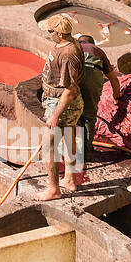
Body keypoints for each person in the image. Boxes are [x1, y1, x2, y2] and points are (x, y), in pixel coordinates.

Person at [38, 14, 85, 200]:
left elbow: (70, 90)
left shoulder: (67, 54)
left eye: (50, 31)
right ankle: (70, 180)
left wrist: (55, 114)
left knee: (49, 145)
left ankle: (53, 189)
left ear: (59, 33)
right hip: (63, 103)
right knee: (69, 138)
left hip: (61, 104)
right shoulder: (71, 43)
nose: (48, 34)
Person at [75, 33, 122, 165]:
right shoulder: (98, 51)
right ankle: (87, 154)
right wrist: (117, 95)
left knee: (72, 115)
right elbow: (113, 78)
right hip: (92, 76)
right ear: (92, 43)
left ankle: (72, 154)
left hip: (74, 74)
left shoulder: (73, 46)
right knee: (89, 117)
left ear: (80, 41)